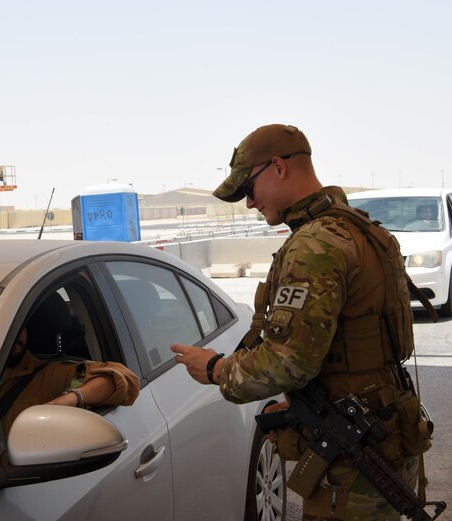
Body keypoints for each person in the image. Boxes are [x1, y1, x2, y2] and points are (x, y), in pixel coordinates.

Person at [171, 124, 430, 520]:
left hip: (354, 460)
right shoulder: (362, 229)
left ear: (278, 167)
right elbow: (354, 347)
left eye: (249, 188)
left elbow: (288, 362)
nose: (249, 203)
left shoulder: (315, 245)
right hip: (383, 424)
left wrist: (215, 368)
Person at [0, 323, 140, 436]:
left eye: (19, 326)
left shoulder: (50, 374)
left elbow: (125, 378)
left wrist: (68, 399)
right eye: (4, 326)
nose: (14, 334)